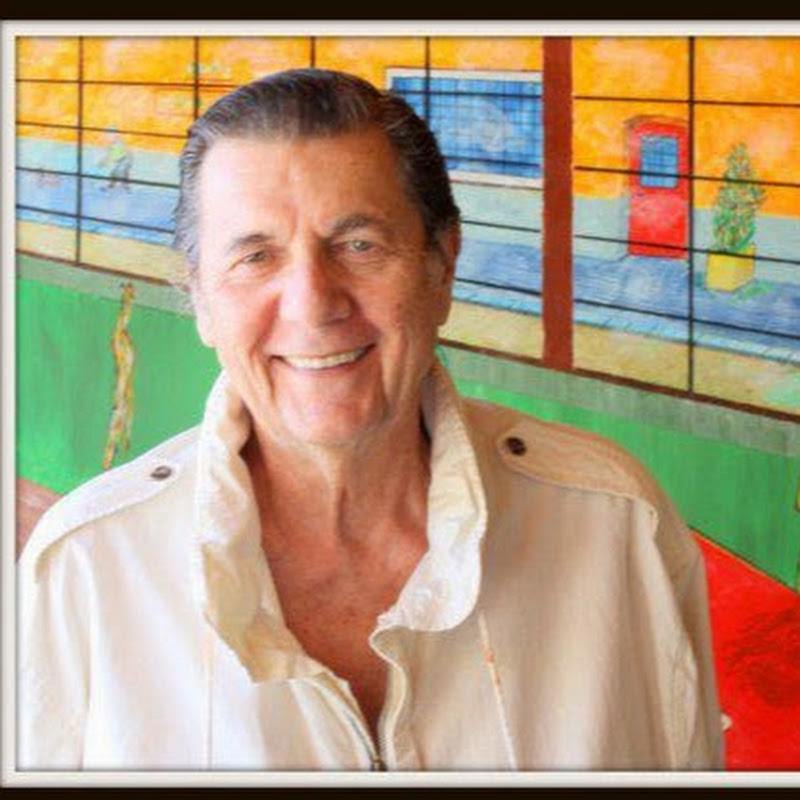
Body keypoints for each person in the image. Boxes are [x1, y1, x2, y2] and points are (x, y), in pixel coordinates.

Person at [18, 68, 724, 771]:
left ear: (441, 267)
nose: (313, 304)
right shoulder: (88, 565)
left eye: (359, 245)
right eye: (256, 256)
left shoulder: (613, 525)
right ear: (199, 298)